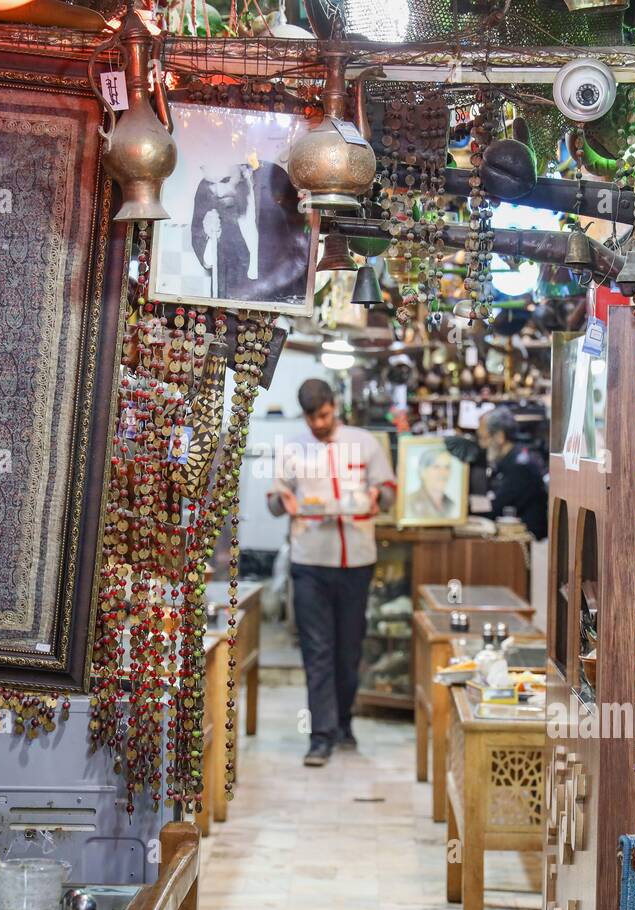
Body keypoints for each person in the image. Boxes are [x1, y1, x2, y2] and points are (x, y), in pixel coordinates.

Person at [268, 379, 396, 767]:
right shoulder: (291, 448)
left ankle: (343, 724)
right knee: (317, 649)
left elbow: (388, 493)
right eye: (311, 418)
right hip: (309, 561)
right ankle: (320, 736)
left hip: (357, 559)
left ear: (334, 407)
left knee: (349, 648)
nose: (318, 424)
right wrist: (283, 500)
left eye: (323, 415)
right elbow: (274, 502)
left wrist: (378, 497)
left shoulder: (365, 442)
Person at [190, 158, 310, 304]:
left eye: (225, 181)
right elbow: (207, 261)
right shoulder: (207, 192)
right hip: (231, 302)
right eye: (212, 184)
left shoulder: (274, 177)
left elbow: (298, 247)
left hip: (276, 299)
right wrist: (210, 234)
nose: (219, 192)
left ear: (244, 170)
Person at [476, 406, 548, 541]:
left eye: (483, 438)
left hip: (529, 542)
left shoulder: (519, 465)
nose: (482, 445)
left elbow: (495, 507)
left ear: (499, 436)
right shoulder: (512, 458)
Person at [403, 446, 457, 519]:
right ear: (423, 472)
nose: (443, 473)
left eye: (447, 467)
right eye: (436, 467)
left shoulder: (451, 504)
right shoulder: (409, 502)